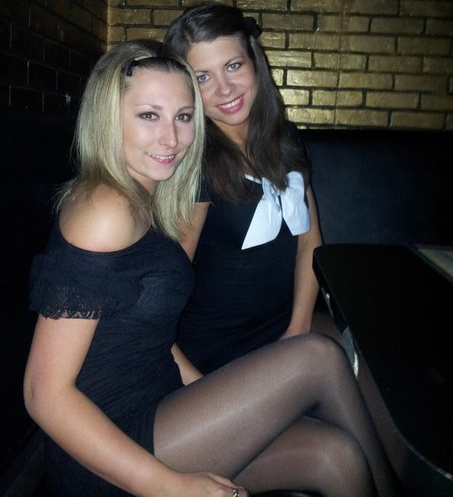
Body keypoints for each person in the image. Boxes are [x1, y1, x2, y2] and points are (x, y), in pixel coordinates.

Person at [23, 40, 399, 497]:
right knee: (318, 356)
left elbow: (151, 335)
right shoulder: (104, 210)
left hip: (162, 404)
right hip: (110, 439)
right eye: (149, 115)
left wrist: (223, 398)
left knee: (335, 456)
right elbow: (44, 394)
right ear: (108, 118)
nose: (171, 138)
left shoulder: (151, 199)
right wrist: (168, 486)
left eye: (183, 117)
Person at [163, 2, 332, 375]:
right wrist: (195, 384)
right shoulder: (193, 165)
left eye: (233, 66)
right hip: (214, 358)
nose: (224, 89)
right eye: (202, 77)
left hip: (281, 331)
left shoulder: (284, 138)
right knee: (327, 364)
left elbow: (309, 241)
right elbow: (160, 296)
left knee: (374, 356)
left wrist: (297, 330)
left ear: (255, 61)